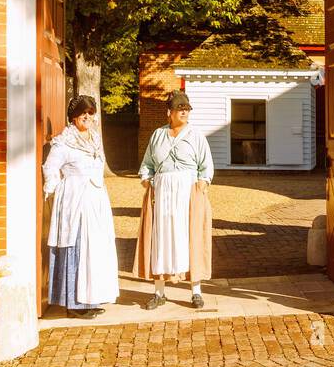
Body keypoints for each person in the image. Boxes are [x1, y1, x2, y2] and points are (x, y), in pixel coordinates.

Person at [134, 90, 214, 309]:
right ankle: (159, 292)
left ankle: (195, 291)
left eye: (187, 109)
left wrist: (202, 183)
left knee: (189, 238)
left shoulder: (195, 136)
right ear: (169, 112)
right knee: (162, 239)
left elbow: (206, 166)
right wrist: (146, 179)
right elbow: (147, 164)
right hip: (162, 193)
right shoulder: (158, 135)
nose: (184, 112)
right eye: (180, 109)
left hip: (187, 191)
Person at [43, 95, 119, 318]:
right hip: (76, 201)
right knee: (78, 247)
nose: (87, 117)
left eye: (90, 113)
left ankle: (90, 298)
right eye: (82, 113)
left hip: (96, 200)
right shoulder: (64, 142)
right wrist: (53, 188)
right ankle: (74, 304)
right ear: (74, 117)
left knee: (95, 249)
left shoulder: (94, 139)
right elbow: (50, 167)